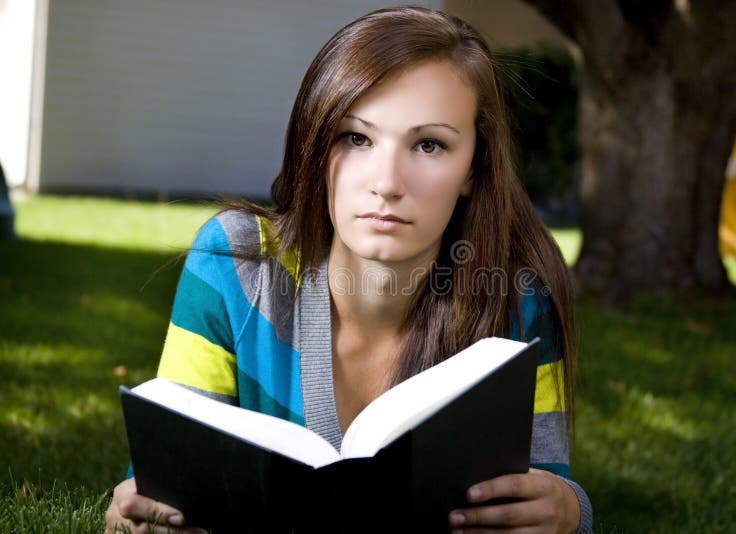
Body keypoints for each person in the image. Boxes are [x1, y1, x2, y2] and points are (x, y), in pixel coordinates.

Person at [105, 6, 592, 533]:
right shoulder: (233, 264)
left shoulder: (518, 299)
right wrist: (141, 514)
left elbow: (542, 488)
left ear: (473, 169)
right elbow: (161, 483)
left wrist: (569, 509)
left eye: (429, 144)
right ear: (317, 144)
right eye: (357, 138)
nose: (386, 182)